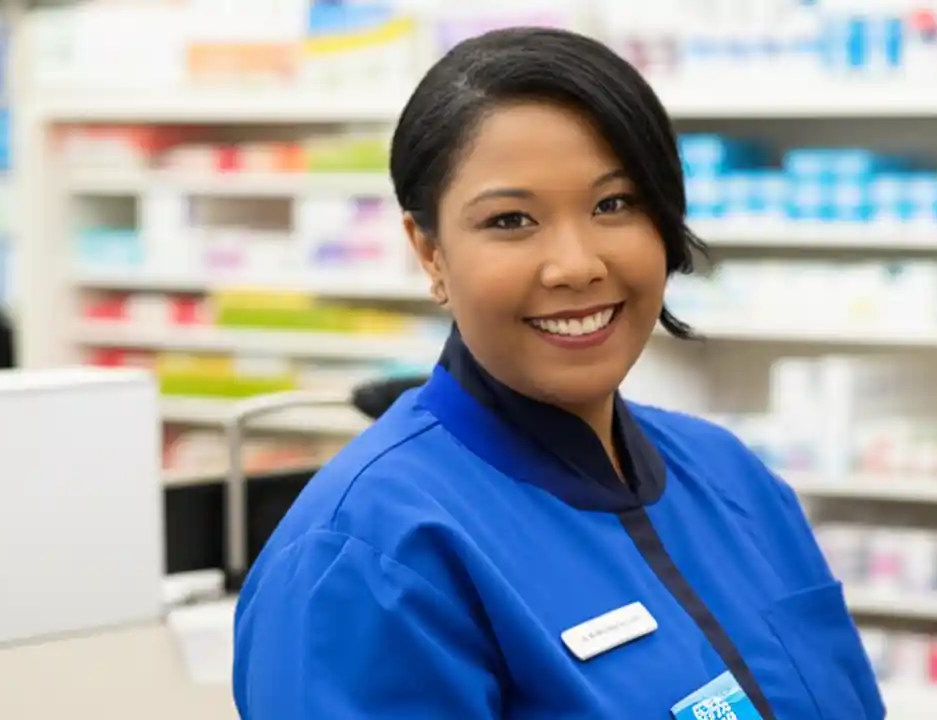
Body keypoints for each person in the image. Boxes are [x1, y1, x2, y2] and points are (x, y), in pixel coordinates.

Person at [233, 26, 884, 719]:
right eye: (511, 220)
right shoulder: (370, 553)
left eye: (614, 204)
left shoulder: (732, 478)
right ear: (429, 252)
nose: (576, 265)